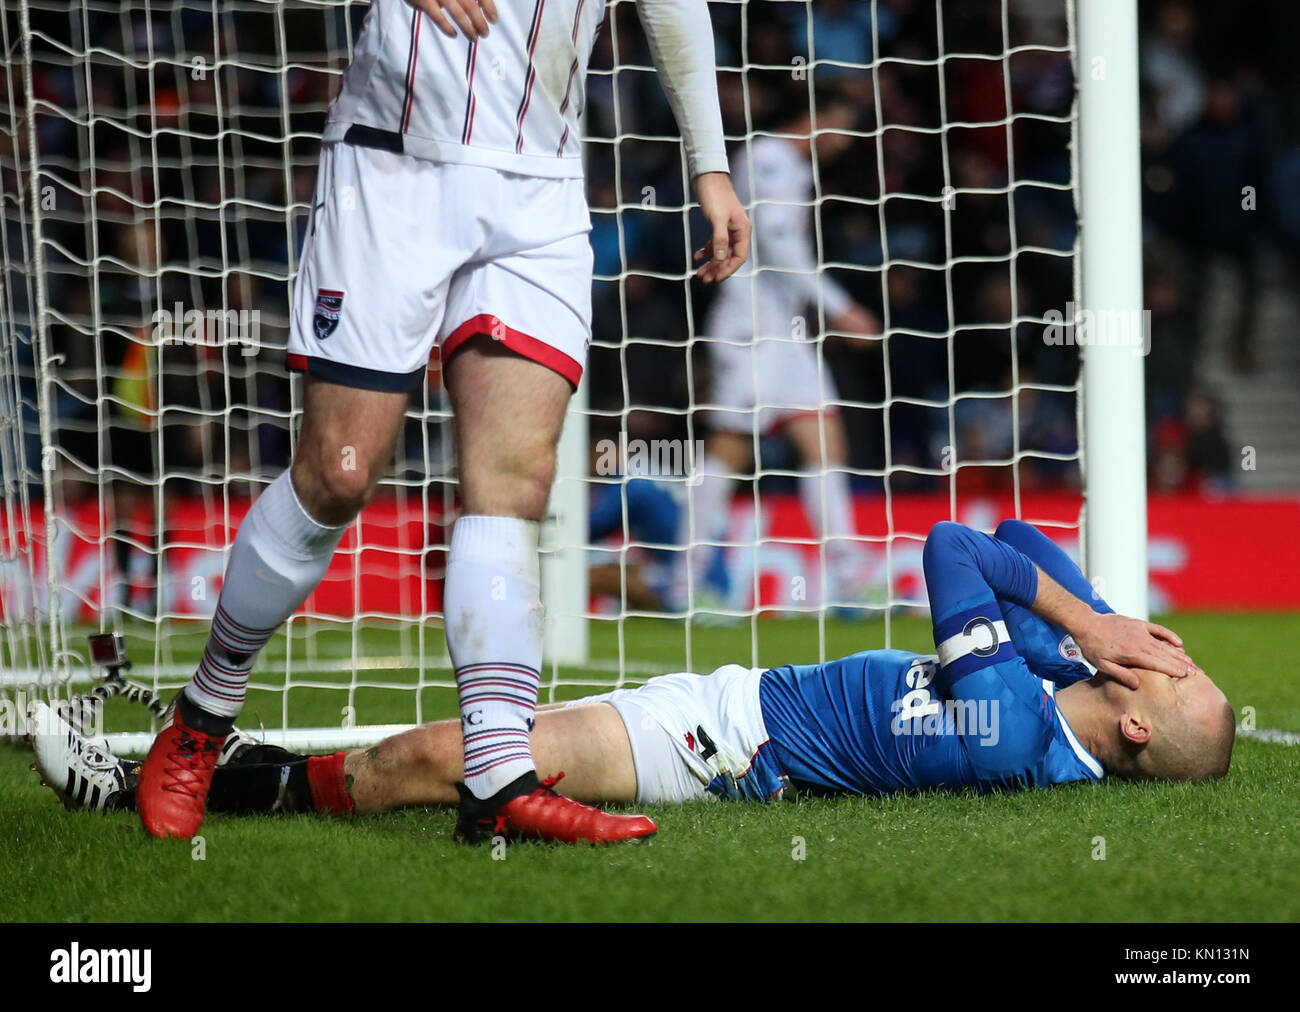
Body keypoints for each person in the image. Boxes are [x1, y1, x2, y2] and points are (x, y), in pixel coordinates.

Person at [135, 0, 751, 843]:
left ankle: (497, 778)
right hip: (396, 167)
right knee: (338, 474)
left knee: (515, 480)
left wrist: (709, 165)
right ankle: (203, 718)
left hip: (541, 185)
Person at [43, 521, 1228, 835]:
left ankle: (163, 778)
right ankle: (197, 768)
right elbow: (1021, 529)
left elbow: (960, 548)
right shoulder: (1054, 700)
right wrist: (1104, 623)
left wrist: (1087, 619)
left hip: (719, 753)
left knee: (436, 760)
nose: (1174, 651)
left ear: (1131, 726)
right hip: (732, 704)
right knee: (447, 746)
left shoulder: (1007, 721)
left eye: (1176, 676)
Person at [686, 82, 881, 613]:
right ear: (817, 116)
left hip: (788, 335)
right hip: (748, 331)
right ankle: (687, 579)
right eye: (841, 123)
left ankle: (848, 582)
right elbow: (776, 243)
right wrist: (839, 306)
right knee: (729, 449)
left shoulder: (799, 168)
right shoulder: (768, 157)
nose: (844, 140)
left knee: (825, 438)